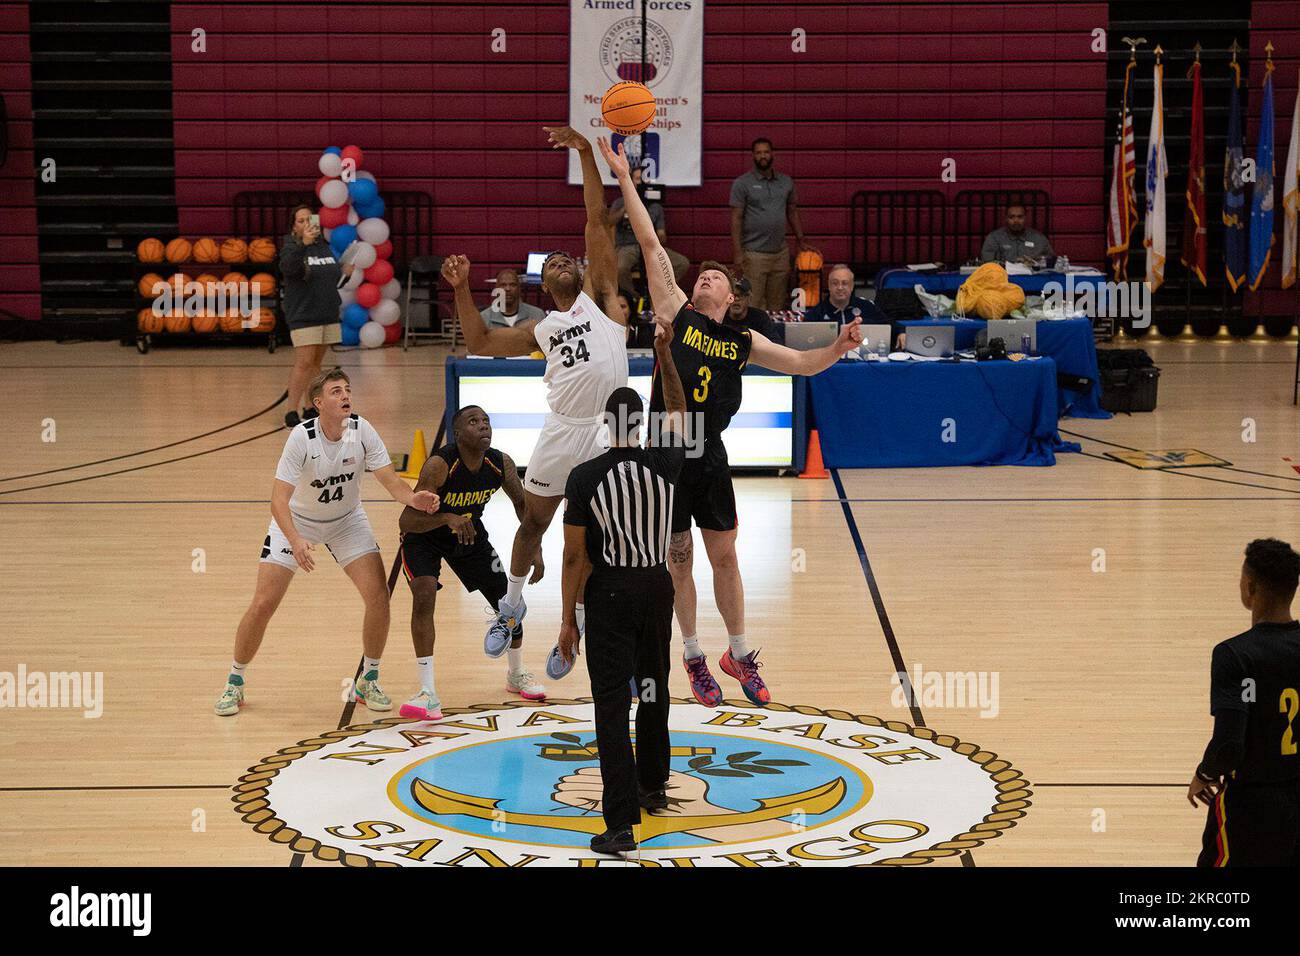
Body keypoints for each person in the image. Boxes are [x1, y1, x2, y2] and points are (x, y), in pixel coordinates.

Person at [600, 136, 863, 708]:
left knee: (725, 556)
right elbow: (648, 240)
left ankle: (738, 654)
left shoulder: (743, 340)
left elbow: (802, 364)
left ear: (729, 294)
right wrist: (624, 178)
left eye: (715, 277)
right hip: (666, 452)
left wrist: (838, 348)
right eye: (702, 275)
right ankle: (694, 656)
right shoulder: (675, 311)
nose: (706, 278)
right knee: (678, 561)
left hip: (710, 455)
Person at [447, 124, 628, 694]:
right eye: (549, 263)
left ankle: (572, 626)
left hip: (608, 434)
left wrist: (585, 153)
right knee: (533, 522)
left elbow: (596, 219)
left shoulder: (601, 297)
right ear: (542, 284)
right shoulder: (540, 328)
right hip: (562, 431)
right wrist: (460, 287)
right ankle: (511, 605)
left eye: (564, 258)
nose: (559, 262)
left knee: (591, 540)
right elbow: (479, 340)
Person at [213, 368, 439, 717]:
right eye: (336, 391)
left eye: (347, 389)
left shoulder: (362, 430)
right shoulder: (301, 438)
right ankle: (234, 681)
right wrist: (296, 539)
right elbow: (278, 501)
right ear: (318, 403)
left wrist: (413, 498)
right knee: (263, 603)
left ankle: (368, 680)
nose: (345, 395)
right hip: (297, 522)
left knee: (378, 596)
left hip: (347, 521)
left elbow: (390, 480)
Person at [555, 310, 687, 856]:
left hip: (610, 594)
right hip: (657, 588)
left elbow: (573, 556)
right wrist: (664, 353)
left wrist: (568, 620)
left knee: (611, 704)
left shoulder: (585, 477)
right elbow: (678, 408)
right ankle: (653, 785)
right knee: (653, 688)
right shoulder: (668, 461)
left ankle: (620, 825)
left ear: (607, 425)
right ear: (642, 425)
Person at [395, 405, 541, 717]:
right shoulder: (439, 466)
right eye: (474, 422)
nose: (483, 426)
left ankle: (516, 674)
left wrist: (535, 547)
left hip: (468, 533)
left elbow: (522, 505)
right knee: (424, 595)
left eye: (486, 421)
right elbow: (407, 520)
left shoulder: (500, 463)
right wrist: (446, 517)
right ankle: (427, 692)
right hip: (425, 536)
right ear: (458, 434)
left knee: (509, 601)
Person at [1189, 538, 1300, 867]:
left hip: (1251, 805)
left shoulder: (1235, 655)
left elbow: (1229, 743)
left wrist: (1204, 773)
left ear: (1250, 588)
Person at [279, 205, 355, 428]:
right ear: (294, 227)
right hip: (304, 313)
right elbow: (288, 268)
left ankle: (310, 407)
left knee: (315, 364)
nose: (306, 224)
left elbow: (331, 278)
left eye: (309, 219)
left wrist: (345, 273)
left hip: (327, 312)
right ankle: (290, 410)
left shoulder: (323, 247)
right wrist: (303, 244)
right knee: (303, 363)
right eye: (300, 221)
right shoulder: (291, 246)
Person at [729, 138, 817, 310]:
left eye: (766, 152)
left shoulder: (786, 182)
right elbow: (736, 218)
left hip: (780, 254)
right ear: (753, 156)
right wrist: (738, 253)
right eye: (759, 152)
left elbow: (792, 212)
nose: (763, 156)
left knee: (777, 304)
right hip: (754, 255)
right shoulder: (742, 183)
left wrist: (801, 240)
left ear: (772, 154)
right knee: (753, 305)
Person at [606, 164, 688, 291]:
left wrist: (660, 237)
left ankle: (658, 293)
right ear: (631, 181)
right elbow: (609, 222)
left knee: (682, 263)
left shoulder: (655, 206)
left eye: (645, 179)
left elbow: (661, 234)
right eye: (638, 179)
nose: (642, 182)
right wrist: (626, 207)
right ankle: (632, 297)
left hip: (650, 245)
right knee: (620, 268)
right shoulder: (620, 202)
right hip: (627, 247)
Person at [801, 263, 897, 347]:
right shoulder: (816, 313)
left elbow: (890, 325)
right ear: (829, 286)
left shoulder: (867, 306)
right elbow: (803, 340)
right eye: (835, 283)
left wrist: (900, 333)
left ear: (851, 286)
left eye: (845, 283)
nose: (840, 287)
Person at [980, 205, 1054, 266]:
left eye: (1020, 217)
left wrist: (1034, 263)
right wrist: (1011, 265)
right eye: (1011, 217)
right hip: (1003, 277)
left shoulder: (1039, 239)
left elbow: (1051, 260)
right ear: (1006, 218)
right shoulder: (994, 238)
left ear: (1025, 218)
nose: (1016, 221)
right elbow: (987, 263)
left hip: (1032, 277)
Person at [480, 268, 546, 329]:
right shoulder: (484, 318)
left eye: (513, 285)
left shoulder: (537, 315)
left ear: (519, 288)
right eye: (503, 285)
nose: (508, 289)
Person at [725, 277, 781, 343]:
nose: (736, 299)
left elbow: (776, 343)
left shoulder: (760, 317)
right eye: (732, 295)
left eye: (741, 295)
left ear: (749, 298)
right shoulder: (719, 316)